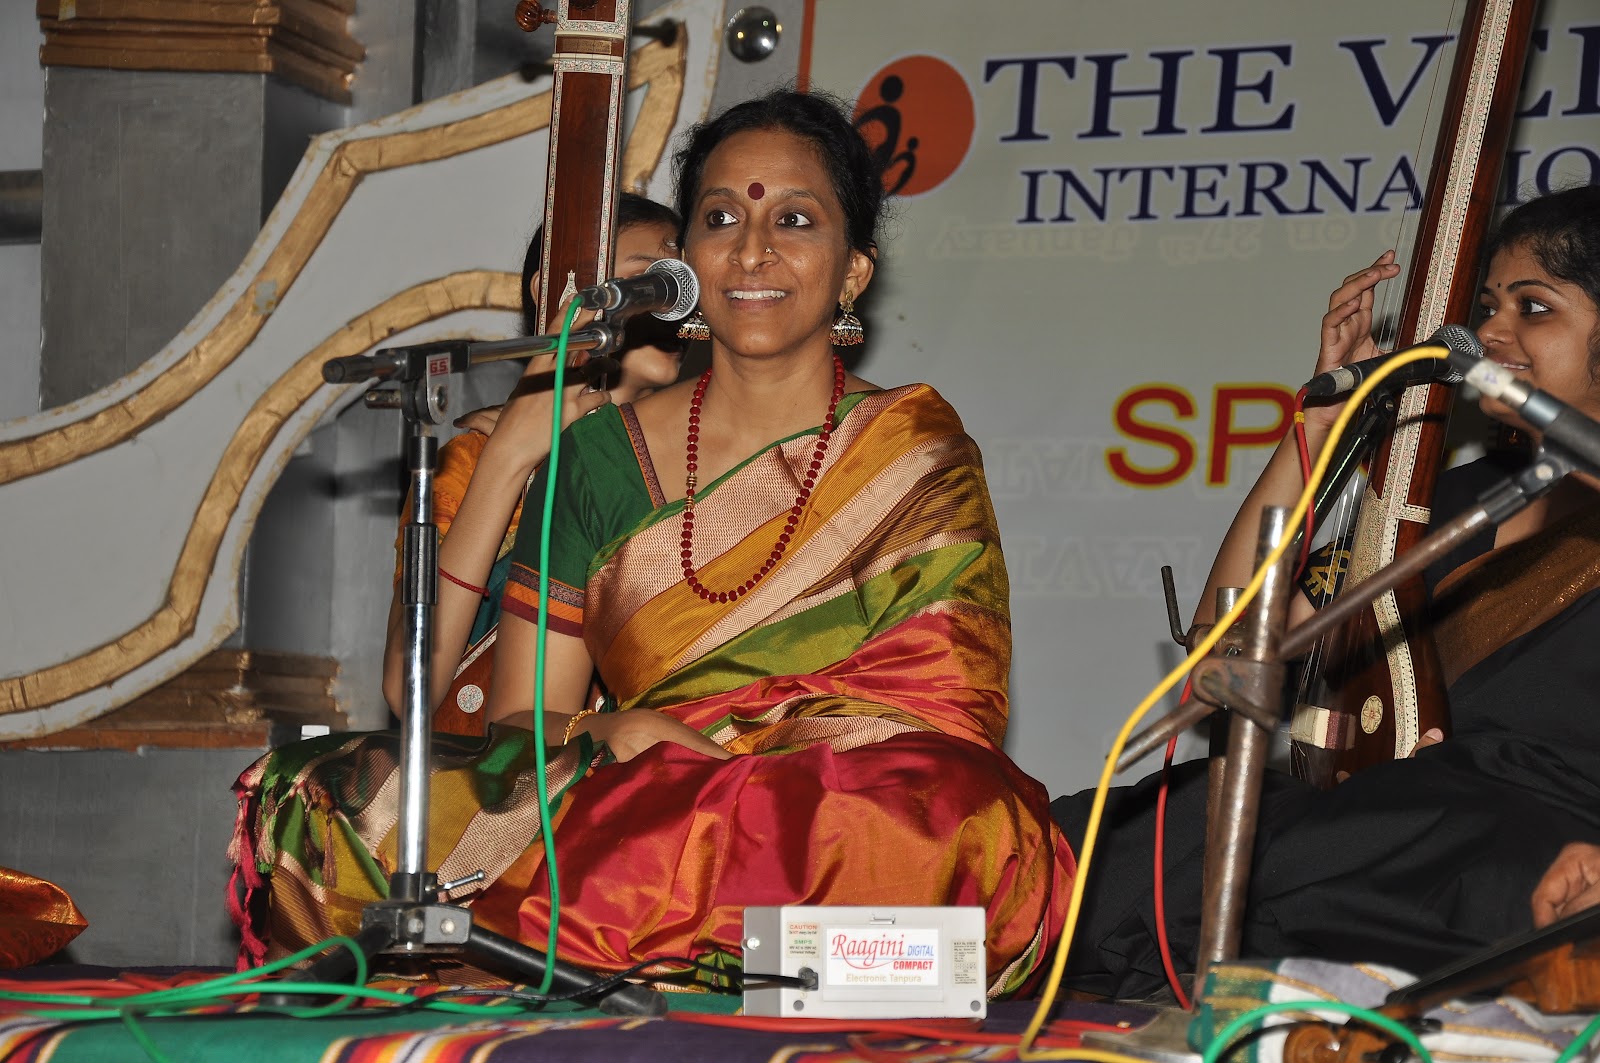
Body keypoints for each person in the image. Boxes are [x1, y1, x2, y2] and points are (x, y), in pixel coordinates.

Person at [233, 89, 1074, 994]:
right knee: (331, 794)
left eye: (794, 220)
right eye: (721, 218)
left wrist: (766, 771)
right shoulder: (594, 459)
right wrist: (616, 729)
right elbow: (521, 719)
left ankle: (623, 960)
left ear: (853, 271)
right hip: (649, 786)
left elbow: (945, 712)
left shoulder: (912, 450)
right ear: (689, 265)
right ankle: (802, 970)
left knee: (963, 819)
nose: (752, 249)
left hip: (836, 804)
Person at [1052, 184, 1600, 1000]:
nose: (1489, 332)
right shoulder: (1448, 506)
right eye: (1488, 306)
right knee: (1129, 827)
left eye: (1534, 307)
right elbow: (1228, 650)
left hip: (1528, 853)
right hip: (1381, 825)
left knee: (1462, 859)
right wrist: (1318, 425)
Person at [379, 193, 684, 718]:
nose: (671, 308)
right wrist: (509, 458)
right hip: (507, 765)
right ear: (556, 291)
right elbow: (409, 688)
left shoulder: (701, 461)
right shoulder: (470, 460)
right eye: (649, 283)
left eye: (682, 288)